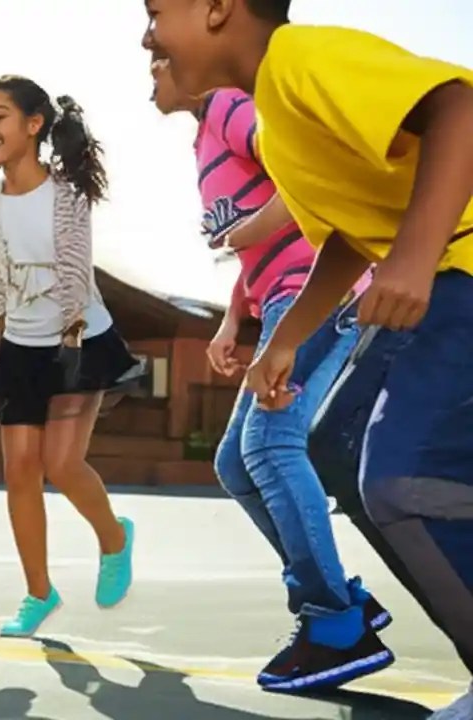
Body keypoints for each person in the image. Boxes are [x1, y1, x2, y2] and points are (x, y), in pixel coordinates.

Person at [143, 0, 473, 716]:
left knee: (399, 478)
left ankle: (338, 619)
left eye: (157, 11)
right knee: (332, 450)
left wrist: (413, 256)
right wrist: (284, 335)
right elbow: (346, 235)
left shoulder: (297, 62)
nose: (148, 34)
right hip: (426, 278)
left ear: (219, 9)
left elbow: (458, 108)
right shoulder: (280, 124)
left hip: (455, 269)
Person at [146, 57, 395, 691]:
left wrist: (241, 232)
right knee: (236, 464)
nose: (151, 65)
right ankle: (340, 599)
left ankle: (334, 621)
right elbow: (257, 249)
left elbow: (312, 180)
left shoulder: (228, 108)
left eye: (159, 56)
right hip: (280, 297)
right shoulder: (206, 142)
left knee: (270, 444)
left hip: (320, 294)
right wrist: (234, 321)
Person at [0, 76, 137, 639]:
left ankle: (115, 539)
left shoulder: (67, 194)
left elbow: (75, 273)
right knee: (20, 473)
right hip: (22, 347)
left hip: (79, 340)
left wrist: (68, 344)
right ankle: (38, 593)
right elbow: (2, 280)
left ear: (33, 125)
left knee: (63, 464)